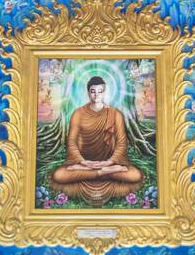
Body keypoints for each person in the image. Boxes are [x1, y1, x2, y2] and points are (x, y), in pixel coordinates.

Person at [49, 76, 142, 205]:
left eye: (100, 91)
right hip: (84, 163)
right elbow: (71, 142)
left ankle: (97, 172)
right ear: (88, 92)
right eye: (93, 91)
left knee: (135, 175)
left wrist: (109, 162)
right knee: (59, 175)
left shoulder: (115, 114)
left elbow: (121, 144)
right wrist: (83, 162)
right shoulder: (78, 114)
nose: (96, 94)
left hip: (109, 163)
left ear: (104, 92)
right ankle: (103, 173)